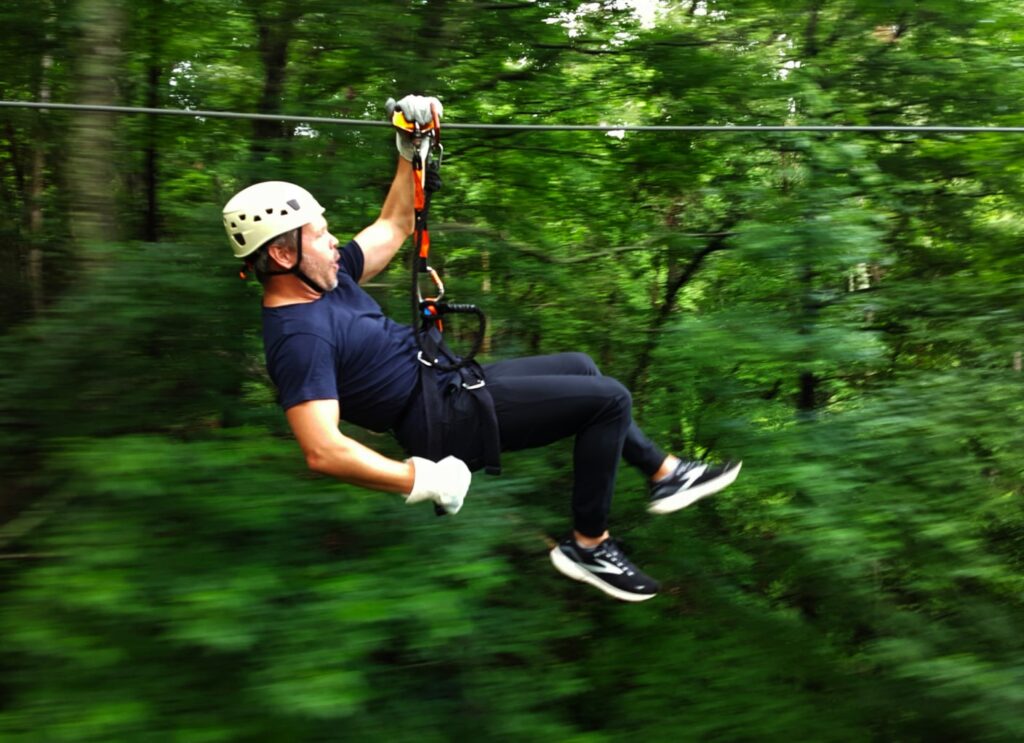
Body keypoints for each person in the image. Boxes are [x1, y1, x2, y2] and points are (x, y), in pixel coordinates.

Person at [222, 94, 741, 602]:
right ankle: (590, 544)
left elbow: (394, 225)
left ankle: (665, 473)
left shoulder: (328, 278)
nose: (334, 241)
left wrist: (409, 151)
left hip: (445, 384)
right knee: (609, 399)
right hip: (440, 419)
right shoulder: (299, 336)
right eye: (321, 234)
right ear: (283, 252)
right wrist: (419, 479)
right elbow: (322, 451)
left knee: (582, 369)